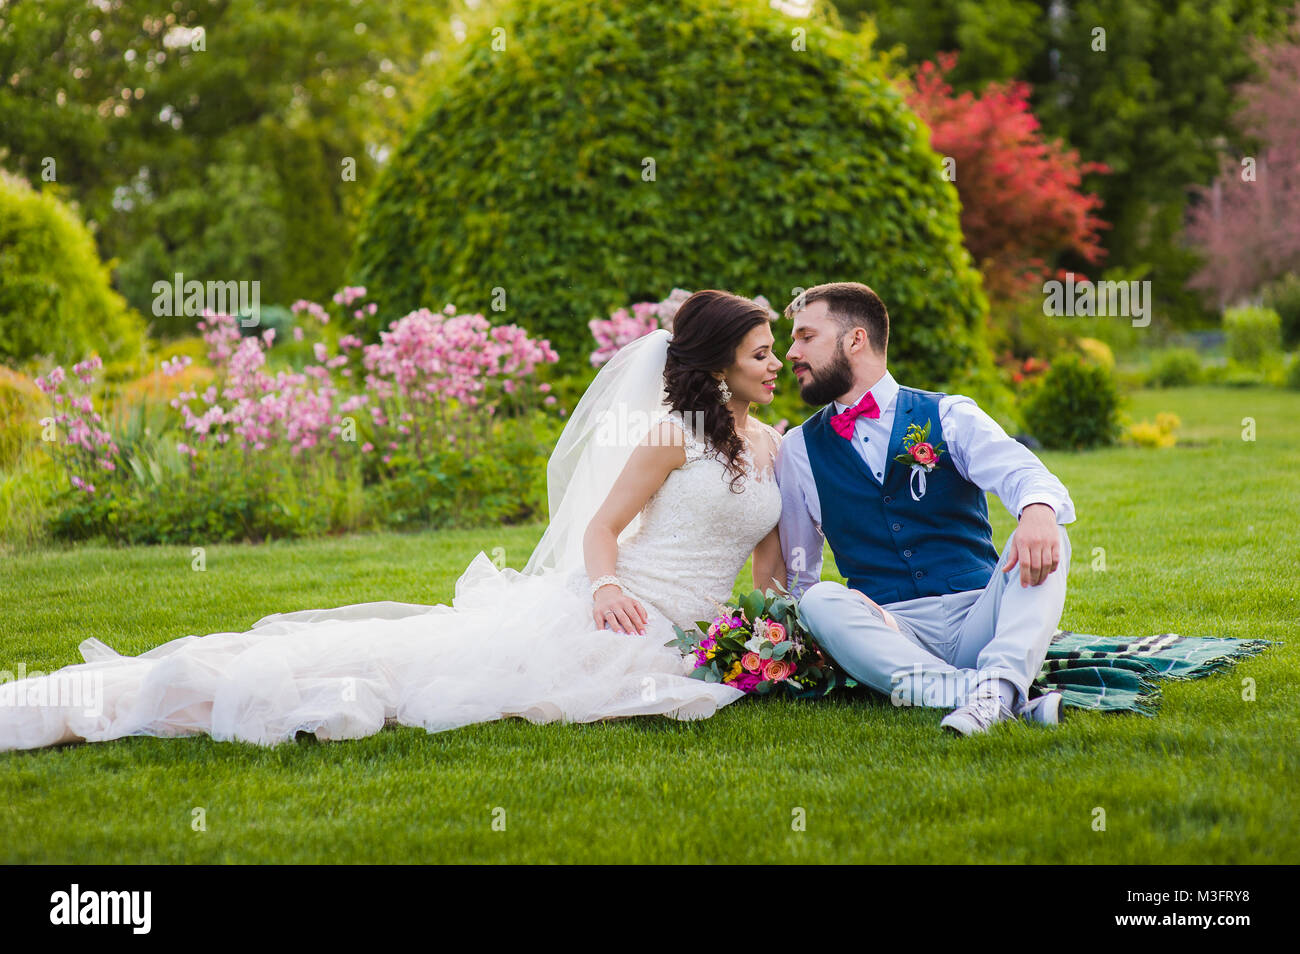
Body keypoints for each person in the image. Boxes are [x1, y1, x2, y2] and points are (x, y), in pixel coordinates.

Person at [0, 291, 786, 751]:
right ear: (720, 361)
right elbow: (600, 529)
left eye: (776, 349)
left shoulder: (774, 445)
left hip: (704, 630)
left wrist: (774, 636)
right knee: (424, 669)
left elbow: (767, 567)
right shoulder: (668, 437)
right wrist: (606, 585)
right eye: (760, 352)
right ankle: (171, 692)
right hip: (629, 610)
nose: (776, 362)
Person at [774, 282, 1074, 736]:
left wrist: (1036, 512)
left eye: (805, 336)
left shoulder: (951, 415)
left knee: (1046, 529)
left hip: (981, 615)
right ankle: (998, 694)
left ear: (855, 339)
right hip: (892, 632)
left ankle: (990, 685)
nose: (791, 351)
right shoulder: (798, 449)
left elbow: (1025, 475)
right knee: (818, 601)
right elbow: (801, 573)